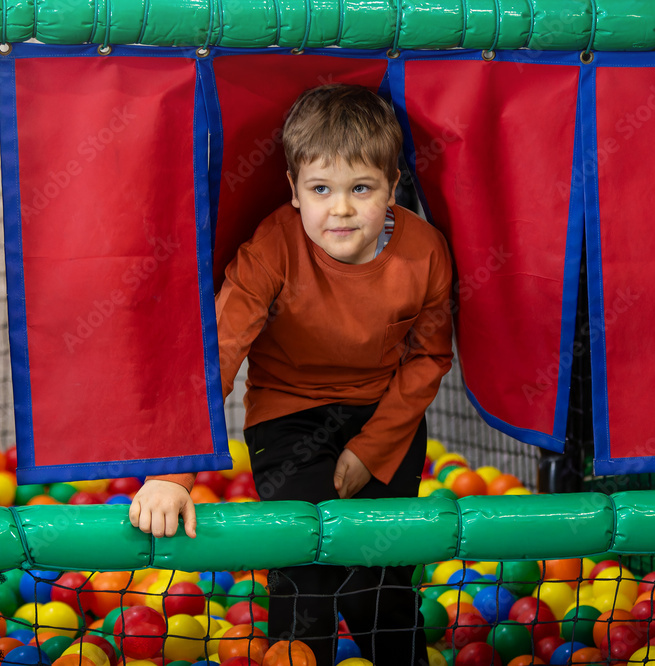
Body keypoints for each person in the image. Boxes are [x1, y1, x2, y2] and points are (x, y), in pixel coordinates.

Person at [129, 83, 453, 665]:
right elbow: (221, 349)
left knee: (379, 580)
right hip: (288, 416)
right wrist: (174, 473)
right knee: (306, 565)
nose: (342, 209)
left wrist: (372, 450)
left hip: (385, 416)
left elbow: (429, 358)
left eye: (362, 188)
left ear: (393, 188)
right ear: (295, 192)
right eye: (322, 189)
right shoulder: (273, 247)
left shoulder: (424, 252)